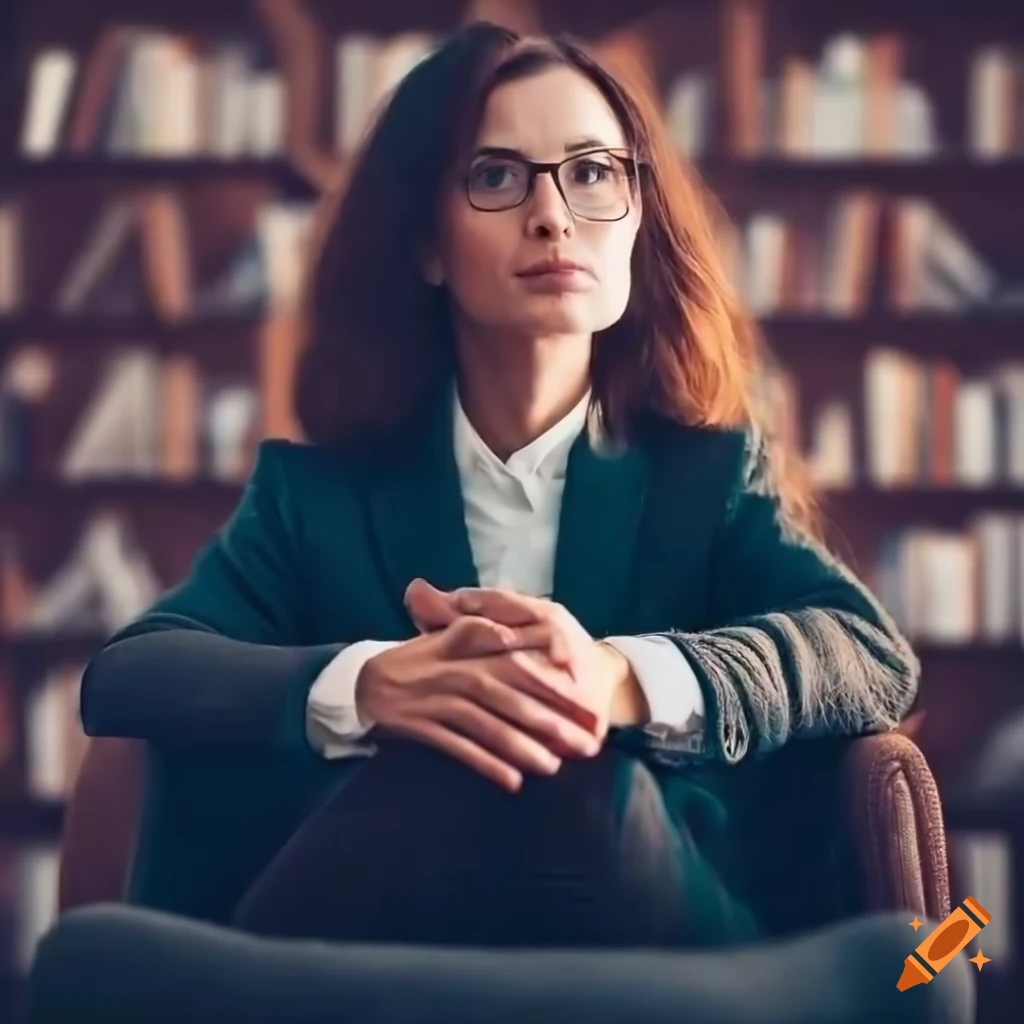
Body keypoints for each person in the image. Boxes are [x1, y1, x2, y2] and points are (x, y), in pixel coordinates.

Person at [79, 22, 919, 950]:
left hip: (654, 943)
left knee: (571, 763)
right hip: (374, 951)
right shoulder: (311, 495)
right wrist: (371, 687)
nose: (554, 215)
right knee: (439, 760)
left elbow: (871, 656)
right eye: (496, 175)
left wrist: (618, 678)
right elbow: (130, 674)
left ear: (636, 224)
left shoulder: (708, 478)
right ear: (426, 245)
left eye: (594, 172)